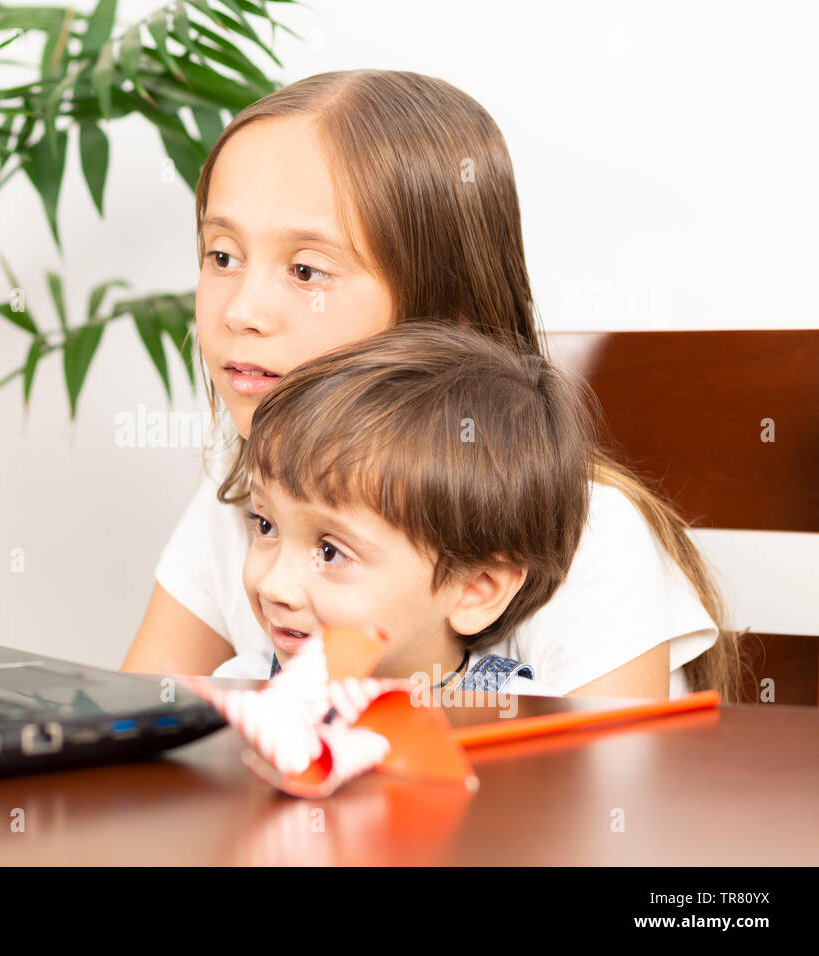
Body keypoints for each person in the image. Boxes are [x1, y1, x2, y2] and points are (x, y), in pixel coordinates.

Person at [120, 69, 741, 699]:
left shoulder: (592, 537)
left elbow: (606, 791)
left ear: (445, 319)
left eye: (307, 271)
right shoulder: (250, 492)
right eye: (222, 255)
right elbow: (137, 720)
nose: (241, 310)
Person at [215, 318, 598, 696]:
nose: (274, 585)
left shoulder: (518, 714)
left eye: (331, 552)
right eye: (266, 526)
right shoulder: (241, 688)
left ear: (474, 590)